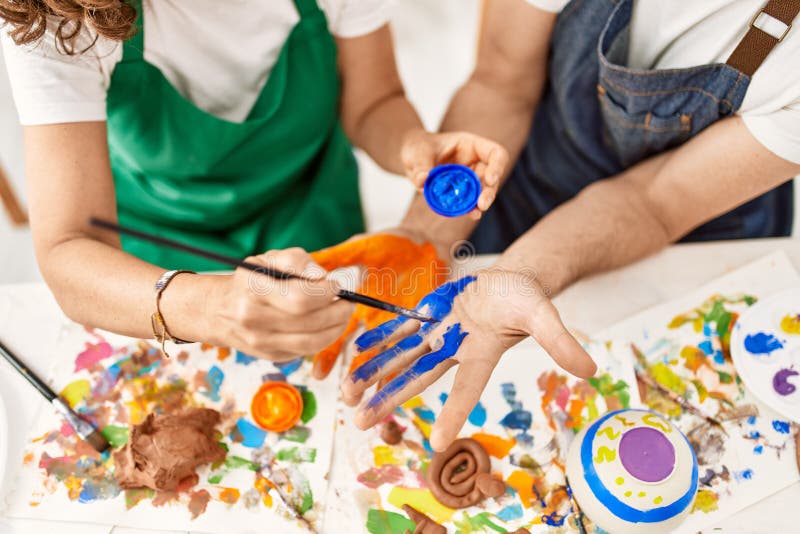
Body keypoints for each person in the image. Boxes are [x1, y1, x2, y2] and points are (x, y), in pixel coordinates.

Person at [342, 0, 800, 451]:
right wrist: (430, 233)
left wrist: (525, 273)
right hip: (532, 163)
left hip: (695, 225)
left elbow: (655, 203)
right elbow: (500, 83)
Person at [0, 0, 507, 360]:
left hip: (311, 204)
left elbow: (374, 102)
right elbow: (70, 249)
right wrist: (208, 307)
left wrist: (412, 145)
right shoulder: (57, 18)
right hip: (155, 257)